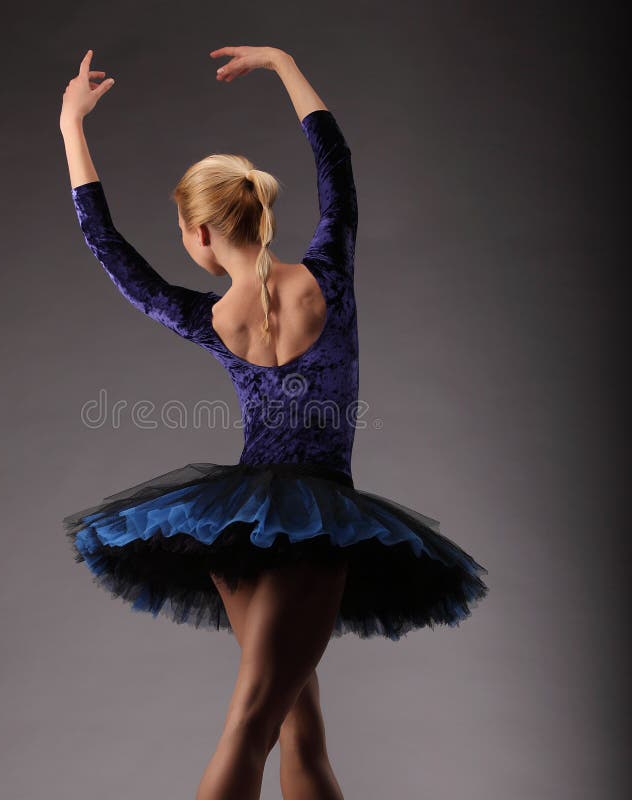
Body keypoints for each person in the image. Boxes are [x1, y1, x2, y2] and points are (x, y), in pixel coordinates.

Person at [59, 45, 489, 800]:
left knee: (297, 731)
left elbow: (111, 252)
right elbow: (337, 167)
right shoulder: (329, 278)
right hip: (315, 526)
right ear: (259, 211)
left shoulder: (210, 318)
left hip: (241, 529)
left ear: (200, 235)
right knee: (255, 724)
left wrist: (72, 128)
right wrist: (285, 66)